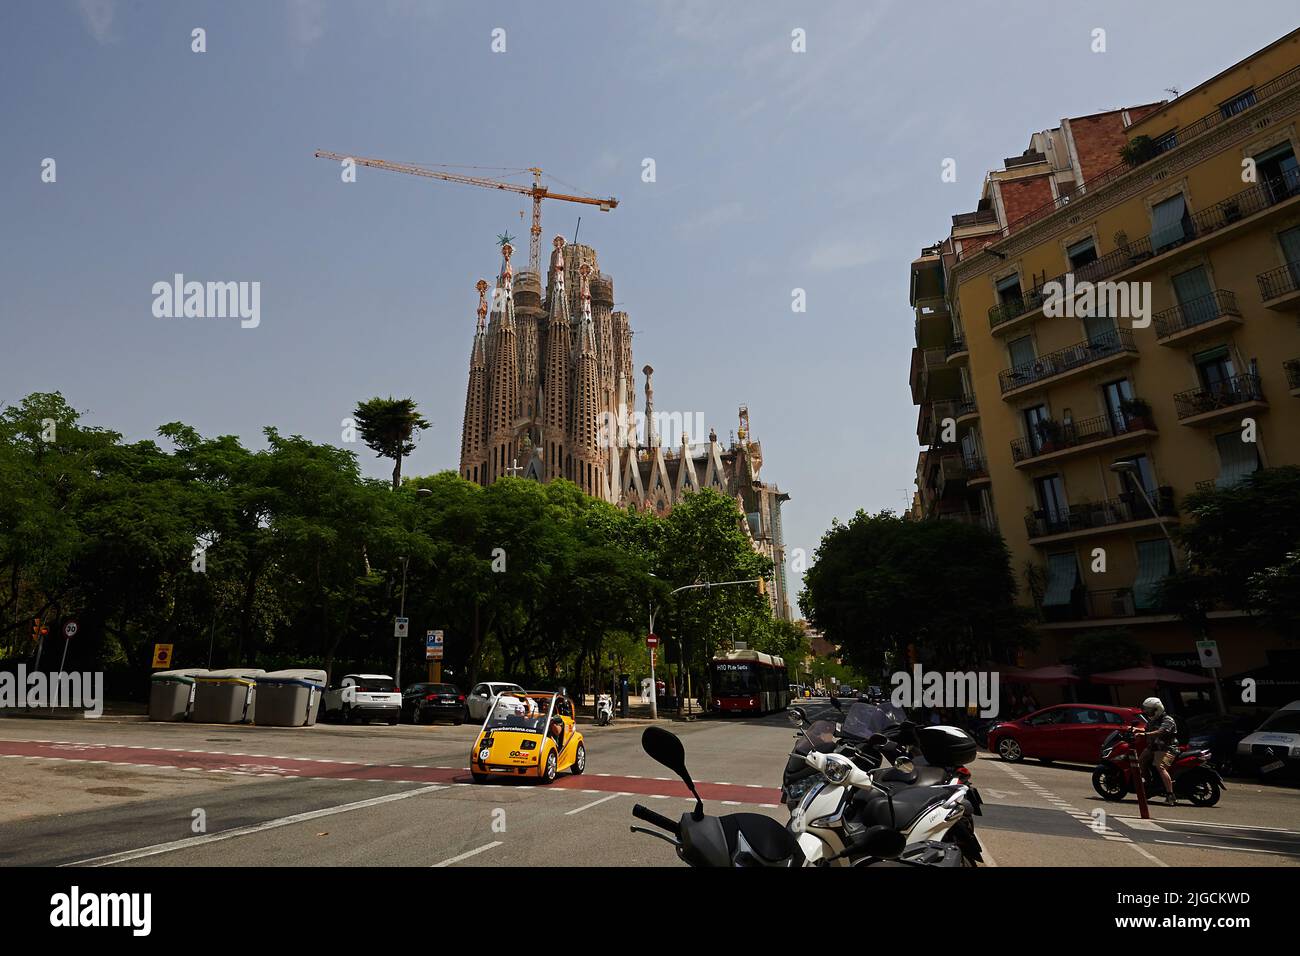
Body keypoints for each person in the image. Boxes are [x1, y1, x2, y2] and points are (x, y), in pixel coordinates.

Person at [1136, 696, 1178, 806]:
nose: (1147, 712)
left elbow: (1160, 732)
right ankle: (1150, 786)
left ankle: (1170, 795)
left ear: (1157, 709)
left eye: (1149, 710)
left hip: (1168, 749)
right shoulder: (1152, 720)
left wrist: (1144, 734)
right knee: (1140, 762)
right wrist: (1136, 730)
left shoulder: (1168, 720)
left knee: (1161, 767)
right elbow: (1146, 729)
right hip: (1153, 748)